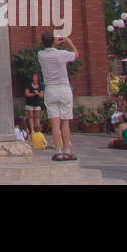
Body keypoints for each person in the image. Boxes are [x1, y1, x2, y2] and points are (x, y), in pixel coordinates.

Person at [37, 32, 79, 161]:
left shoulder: (41, 55)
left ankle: (58, 151)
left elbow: (48, 47)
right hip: (63, 88)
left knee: (55, 122)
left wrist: (54, 42)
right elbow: (76, 55)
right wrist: (69, 42)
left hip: (50, 89)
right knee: (65, 121)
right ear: (54, 41)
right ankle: (67, 150)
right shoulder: (62, 54)